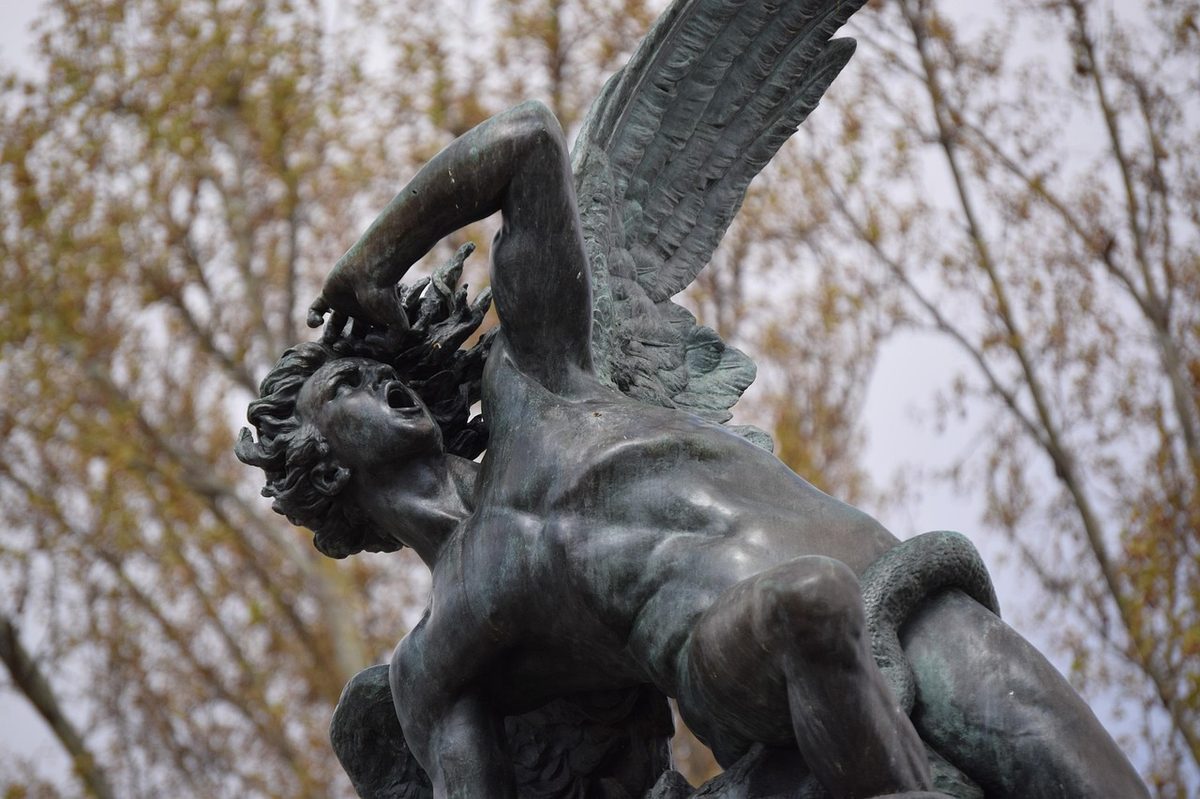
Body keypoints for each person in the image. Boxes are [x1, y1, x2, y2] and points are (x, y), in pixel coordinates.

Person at [238, 101, 1148, 799]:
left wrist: (375, 257)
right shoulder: (440, 655)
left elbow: (530, 141)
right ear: (326, 469)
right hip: (745, 658)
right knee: (806, 603)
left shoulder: (537, 380)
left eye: (374, 367)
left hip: (906, 593)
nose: (382, 380)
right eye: (345, 387)